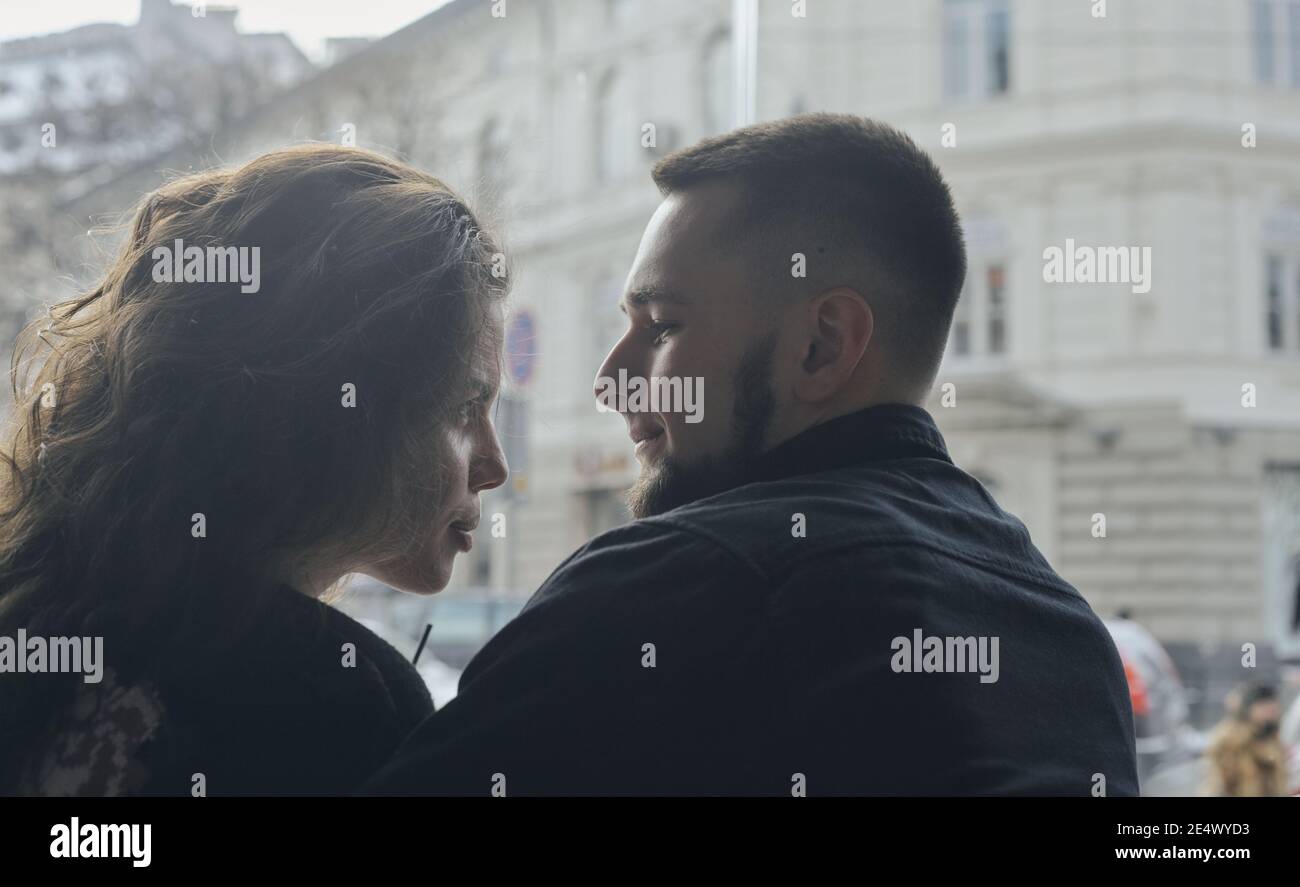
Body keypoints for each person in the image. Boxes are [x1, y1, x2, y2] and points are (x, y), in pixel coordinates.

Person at [365, 114, 1139, 795]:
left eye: (661, 326)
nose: (612, 378)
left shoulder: (681, 585)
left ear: (821, 345)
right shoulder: (1071, 640)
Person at [0, 145, 508, 795]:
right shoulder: (334, 702)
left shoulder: (54, 620)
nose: (494, 464)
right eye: (466, 406)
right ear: (347, 405)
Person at [1202, 683, 1287, 797]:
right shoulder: (1230, 743)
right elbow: (1217, 788)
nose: (1271, 709)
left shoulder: (1271, 740)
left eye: (1272, 703)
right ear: (1246, 709)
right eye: (1263, 704)